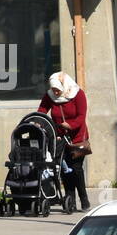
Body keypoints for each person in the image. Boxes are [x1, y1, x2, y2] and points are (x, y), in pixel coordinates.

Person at [36, 71, 90, 210]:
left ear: (63, 85)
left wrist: (70, 125)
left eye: (57, 89)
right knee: (64, 169)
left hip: (78, 137)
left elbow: (81, 116)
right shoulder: (50, 96)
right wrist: (38, 121)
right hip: (60, 137)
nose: (55, 92)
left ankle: (84, 199)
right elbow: (42, 109)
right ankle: (70, 200)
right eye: (53, 89)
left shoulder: (78, 94)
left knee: (76, 169)